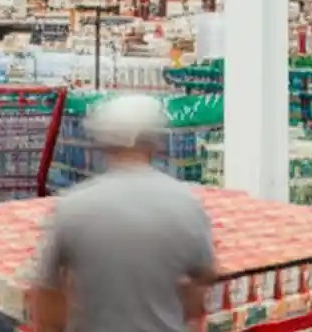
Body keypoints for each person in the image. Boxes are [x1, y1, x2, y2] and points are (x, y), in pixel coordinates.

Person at [32, 95, 217, 332]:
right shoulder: (186, 205)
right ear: (155, 143)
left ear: (104, 144)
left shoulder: (73, 207)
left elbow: (47, 296)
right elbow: (201, 285)